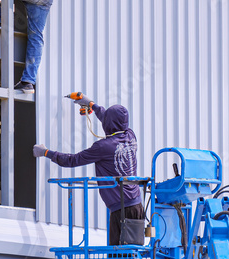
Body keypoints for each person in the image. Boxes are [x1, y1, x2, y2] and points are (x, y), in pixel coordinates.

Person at [33, 100, 145, 246]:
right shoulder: (130, 136)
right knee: (129, 256)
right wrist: (91, 104)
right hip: (137, 205)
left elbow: (72, 160)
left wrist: (46, 152)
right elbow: (108, 117)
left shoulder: (103, 147)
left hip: (121, 210)